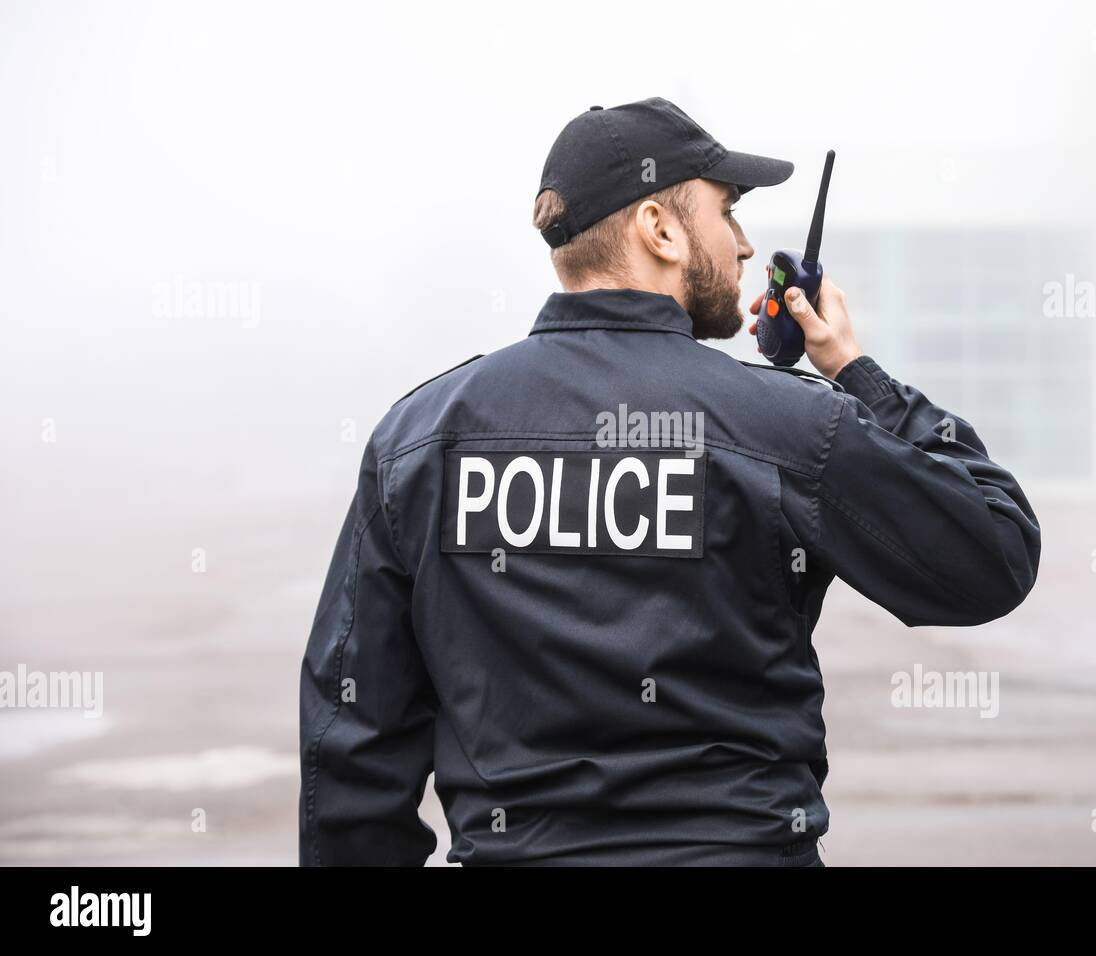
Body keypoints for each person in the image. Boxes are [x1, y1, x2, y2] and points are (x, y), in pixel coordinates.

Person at [298, 96, 1041, 867]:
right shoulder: (787, 424)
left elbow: (353, 738)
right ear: (661, 228)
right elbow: (993, 554)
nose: (747, 248)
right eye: (729, 212)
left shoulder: (418, 440)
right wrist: (857, 374)